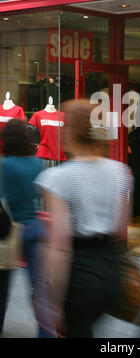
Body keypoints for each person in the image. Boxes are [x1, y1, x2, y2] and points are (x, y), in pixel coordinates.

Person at [35, 99, 132, 338]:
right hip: (110, 271)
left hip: (79, 275)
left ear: (69, 132)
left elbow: (60, 248)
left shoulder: (56, 178)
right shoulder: (121, 172)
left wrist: (54, 303)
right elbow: (120, 226)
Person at [0, 118, 56, 338]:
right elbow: (42, 196)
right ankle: (45, 332)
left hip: (11, 231)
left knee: (3, 286)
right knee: (39, 287)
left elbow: (3, 200)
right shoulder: (37, 163)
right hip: (37, 227)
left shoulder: (5, 165)